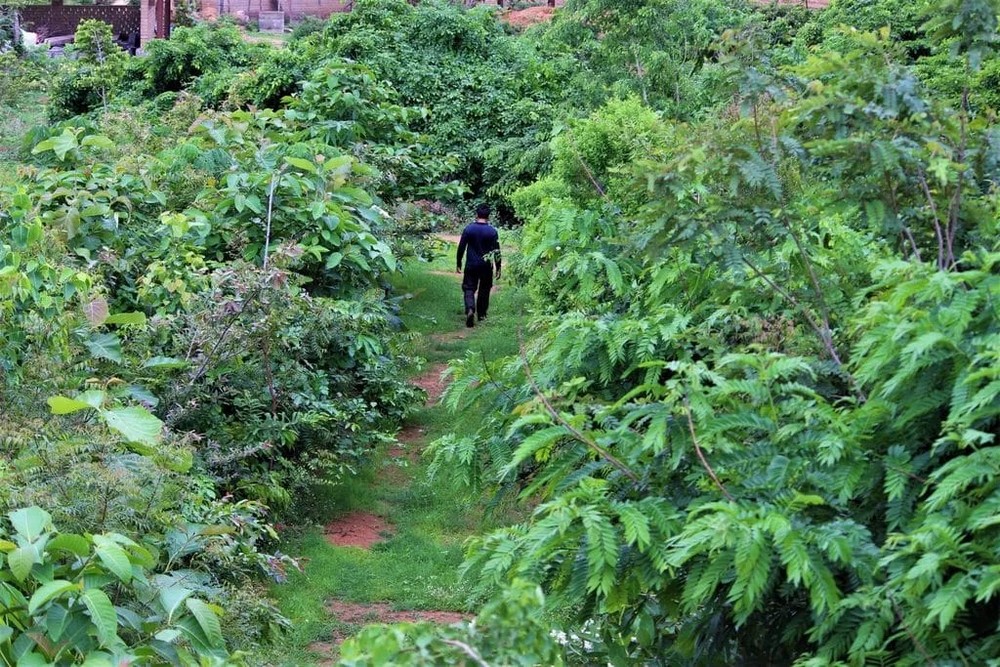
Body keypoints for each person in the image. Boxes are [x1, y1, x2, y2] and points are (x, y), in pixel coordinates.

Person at [456, 203, 501, 328]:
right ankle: (481, 315)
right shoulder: (492, 231)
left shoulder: (469, 229)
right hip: (486, 266)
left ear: (476, 214)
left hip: (471, 264)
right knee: (484, 290)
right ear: (489, 216)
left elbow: (461, 247)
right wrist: (498, 267)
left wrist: (458, 262)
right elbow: (497, 251)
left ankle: (470, 309)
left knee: (469, 288)